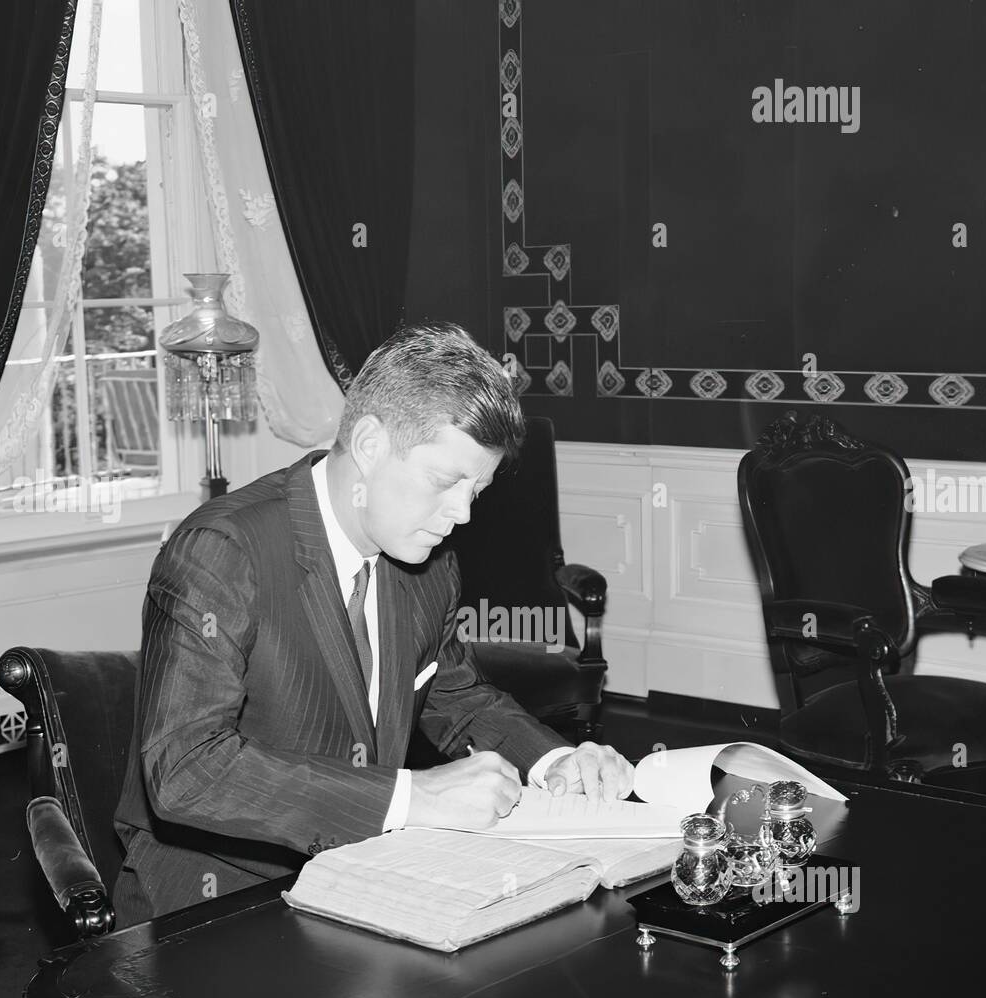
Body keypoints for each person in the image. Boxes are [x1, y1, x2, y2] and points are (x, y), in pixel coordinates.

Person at [111, 322, 634, 924]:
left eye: (477, 491)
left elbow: (455, 696)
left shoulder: (428, 564)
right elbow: (185, 770)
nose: (461, 515)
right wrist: (411, 797)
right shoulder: (225, 550)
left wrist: (554, 761)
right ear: (368, 444)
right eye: (444, 482)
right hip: (217, 899)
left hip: (364, 873)